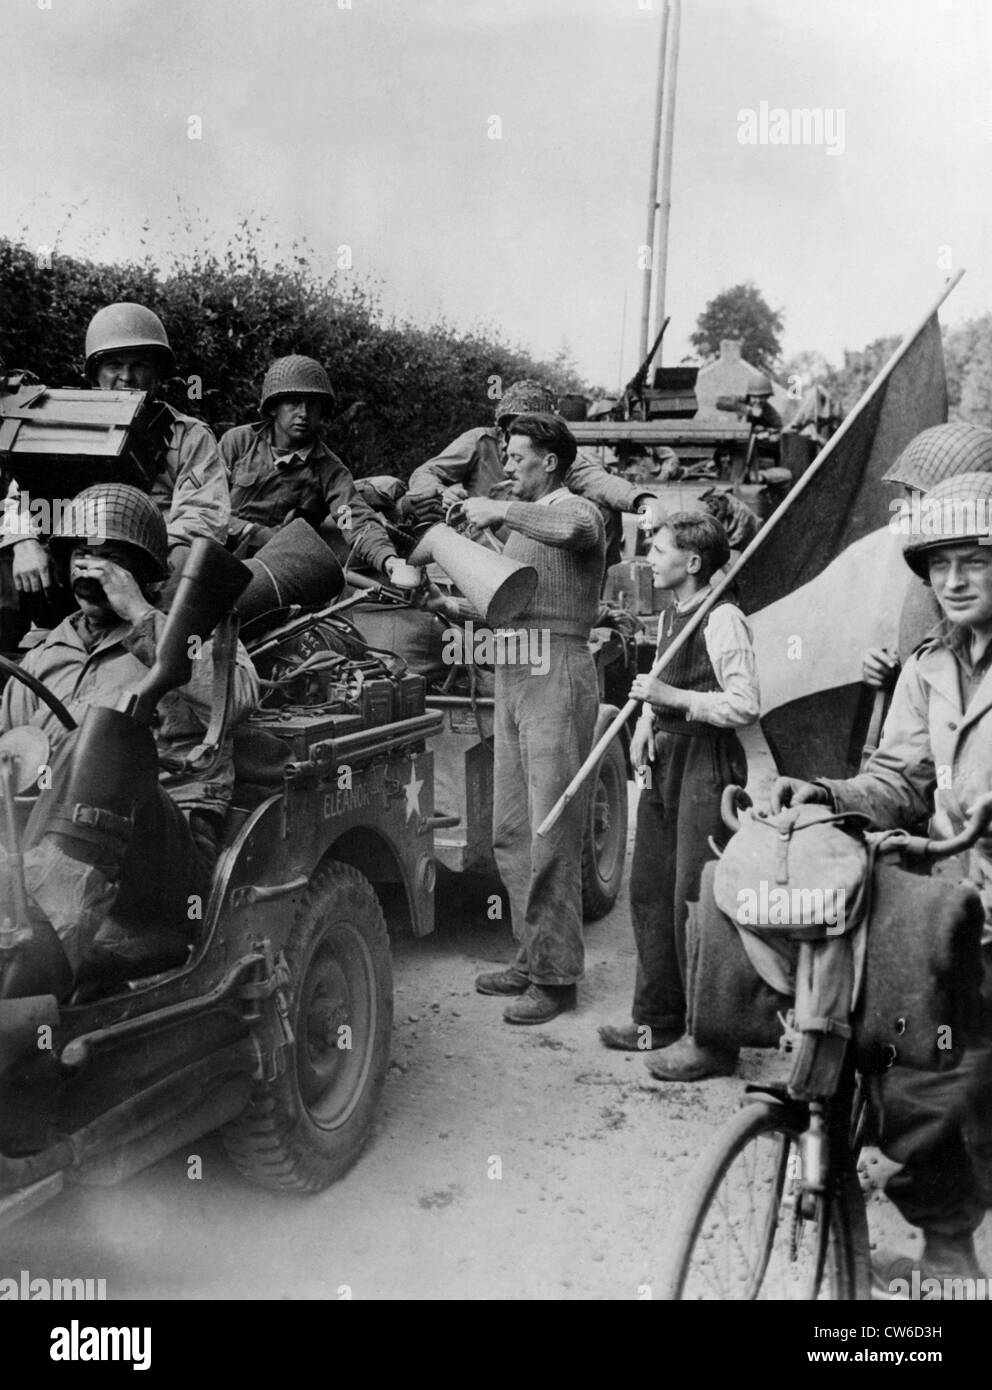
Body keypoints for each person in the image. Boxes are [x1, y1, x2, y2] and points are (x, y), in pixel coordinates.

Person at [773, 469, 992, 1282]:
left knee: (969, 1079)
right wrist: (830, 791)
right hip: (943, 900)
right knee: (915, 1068)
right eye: (939, 566)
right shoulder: (927, 663)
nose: (955, 581)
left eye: (975, 560)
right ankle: (945, 1241)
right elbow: (901, 781)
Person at [2, 484, 258, 987]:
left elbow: (242, 695)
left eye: (111, 559)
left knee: (102, 739)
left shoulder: (187, 636)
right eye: (81, 554)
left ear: (141, 573)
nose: (91, 569)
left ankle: (32, 975)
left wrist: (141, 615)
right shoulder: (42, 655)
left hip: (164, 854)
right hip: (39, 841)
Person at [429, 413, 605, 1025]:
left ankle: (558, 980)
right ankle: (531, 958)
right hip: (511, 667)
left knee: (551, 829)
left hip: (557, 670)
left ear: (550, 462)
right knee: (510, 828)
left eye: (518, 456)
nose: (507, 466)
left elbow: (577, 530)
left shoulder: (576, 511)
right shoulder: (525, 526)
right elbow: (507, 606)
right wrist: (446, 602)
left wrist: (497, 512)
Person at [599, 512, 760, 1079]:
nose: (649, 557)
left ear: (693, 563)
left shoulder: (724, 619)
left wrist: (673, 698)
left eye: (659, 549)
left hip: (707, 767)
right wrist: (648, 719)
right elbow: (657, 689)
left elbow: (744, 704)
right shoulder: (671, 613)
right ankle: (657, 1018)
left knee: (697, 900)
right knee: (650, 890)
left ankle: (711, 1038)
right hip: (665, 758)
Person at [8, 303, 231, 603]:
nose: (127, 377)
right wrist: (22, 540)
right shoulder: (66, 422)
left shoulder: (189, 435)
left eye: (140, 365)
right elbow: (20, 495)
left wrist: (133, 558)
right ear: (95, 374)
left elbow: (202, 516)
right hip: (76, 555)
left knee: (189, 562)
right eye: (114, 365)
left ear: (158, 375)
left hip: (153, 566)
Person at [406, 378, 664, 570]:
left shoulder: (550, 454)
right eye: (515, 426)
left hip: (532, 542)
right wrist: (443, 492)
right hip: (480, 544)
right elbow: (425, 473)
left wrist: (641, 499)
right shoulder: (480, 441)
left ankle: (591, 596)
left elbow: (596, 480)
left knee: (605, 512)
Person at [219, 355, 419, 587]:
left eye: (313, 404)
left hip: (269, 567)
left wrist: (388, 560)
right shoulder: (238, 443)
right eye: (293, 402)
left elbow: (351, 517)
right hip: (215, 546)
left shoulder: (329, 470)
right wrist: (250, 530)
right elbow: (206, 502)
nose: (304, 413)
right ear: (274, 408)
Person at [863, 422, 992, 692]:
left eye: (922, 497)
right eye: (909, 496)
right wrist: (890, 668)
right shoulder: (930, 569)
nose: (906, 510)